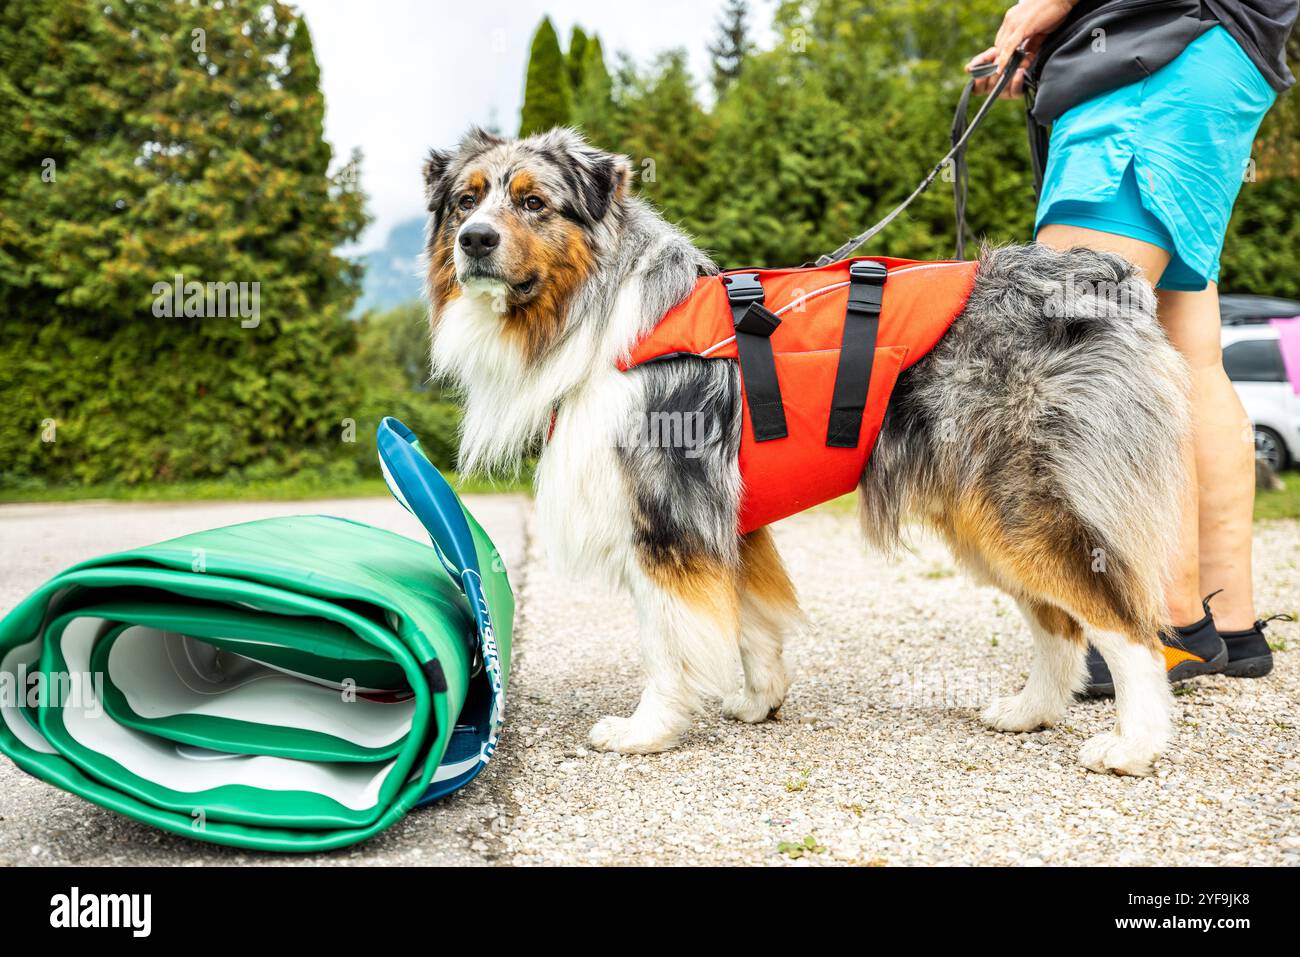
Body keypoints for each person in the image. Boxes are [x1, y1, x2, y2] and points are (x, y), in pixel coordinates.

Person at [968, 0, 1297, 693]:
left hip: (1156, 61)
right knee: (1185, 354)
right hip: (1205, 56)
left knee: (1071, 344)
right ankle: (1226, 621)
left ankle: (1163, 623)